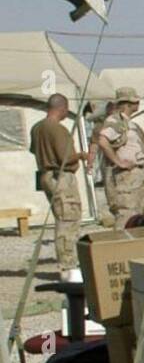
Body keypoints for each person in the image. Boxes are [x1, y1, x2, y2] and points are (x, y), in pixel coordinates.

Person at [31, 93, 90, 279]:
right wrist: (82, 155)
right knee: (68, 220)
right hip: (62, 176)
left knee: (62, 216)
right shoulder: (58, 129)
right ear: (62, 108)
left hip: (46, 175)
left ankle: (68, 264)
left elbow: (34, 150)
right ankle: (68, 266)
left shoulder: (37, 128)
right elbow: (66, 157)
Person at [97, 87, 144, 228]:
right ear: (127, 103)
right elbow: (103, 141)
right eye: (135, 101)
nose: (138, 103)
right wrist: (118, 162)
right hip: (126, 176)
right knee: (127, 215)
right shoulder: (116, 121)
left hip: (138, 174)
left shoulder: (131, 124)